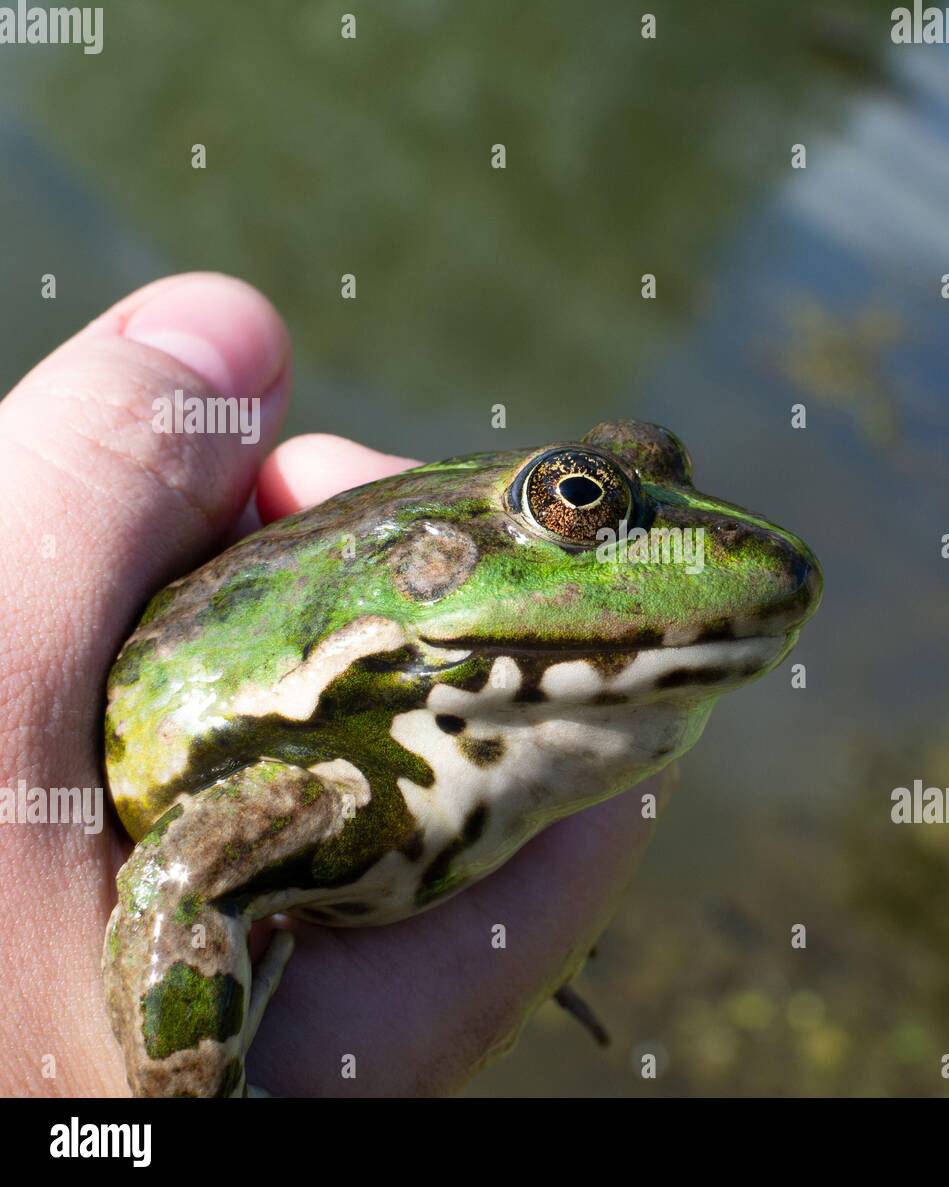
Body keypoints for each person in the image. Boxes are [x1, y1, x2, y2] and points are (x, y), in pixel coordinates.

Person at [0, 273, 668, 1096]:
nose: (680, 552)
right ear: (432, 560)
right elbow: (179, 883)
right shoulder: (325, 781)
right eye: (580, 504)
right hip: (234, 732)